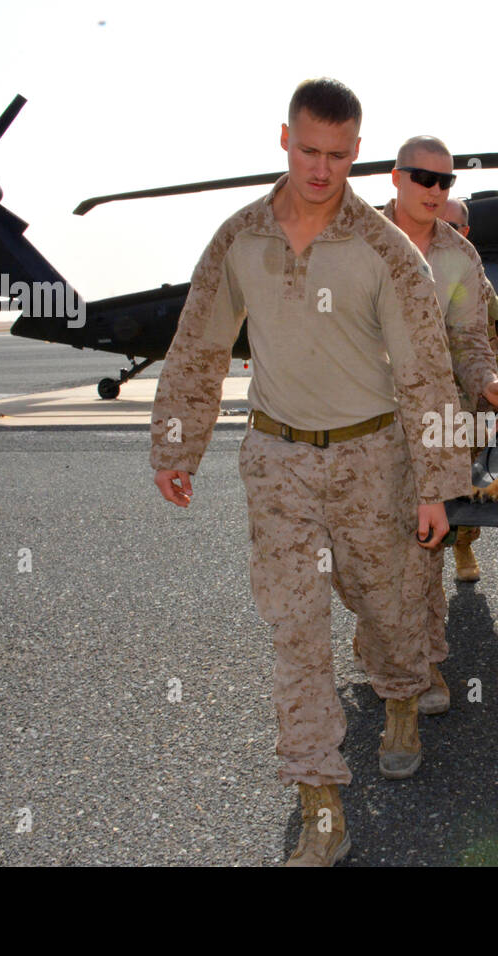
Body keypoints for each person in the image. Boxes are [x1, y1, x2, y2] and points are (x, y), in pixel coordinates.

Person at [149, 78, 470, 867]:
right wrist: (176, 444)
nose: (321, 169)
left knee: (388, 609)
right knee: (294, 632)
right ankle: (320, 802)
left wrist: (437, 484)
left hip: (372, 458)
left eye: (336, 154)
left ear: (357, 152)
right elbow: (199, 344)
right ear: (283, 138)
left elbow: (428, 372)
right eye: (307, 150)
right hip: (278, 458)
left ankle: (400, 697)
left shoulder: (386, 251)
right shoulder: (240, 240)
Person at [376, 138, 498, 714]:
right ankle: (389, 651)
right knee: (373, 558)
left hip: (440, 422)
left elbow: (470, 341)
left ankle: (422, 667)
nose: (434, 190)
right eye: (422, 178)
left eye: (445, 182)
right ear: (396, 177)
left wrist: (489, 384)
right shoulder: (356, 240)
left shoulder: (459, 258)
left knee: (424, 547)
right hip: (370, 422)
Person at [443, 198, 498, 584]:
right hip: (418, 401)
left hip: (470, 404)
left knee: (469, 482)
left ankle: (463, 544)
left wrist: (496, 397)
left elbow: (491, 343)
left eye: (452, 226)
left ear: (465, 233)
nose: (442, 231)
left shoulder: (477, 281)